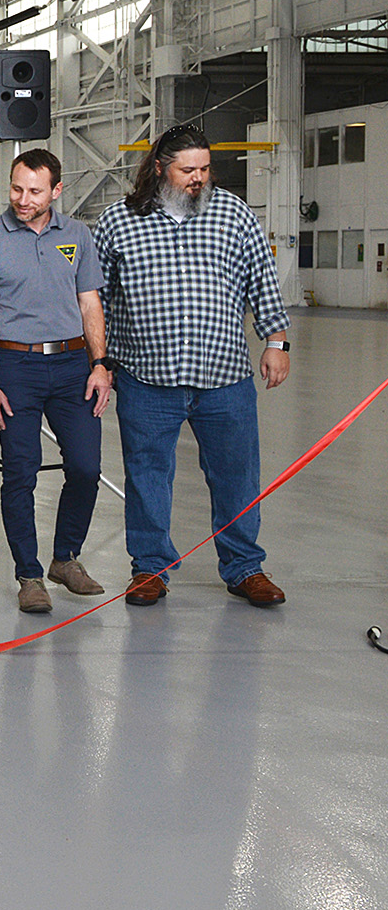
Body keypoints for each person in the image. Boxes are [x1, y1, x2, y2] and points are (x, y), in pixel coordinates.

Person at [95, 123, 291, 608]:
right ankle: (150, 569)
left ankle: (245, 567)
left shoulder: (234, 214)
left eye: (204, 169)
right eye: (187, 170)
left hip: (224, 376)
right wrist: (99, 361)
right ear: (161, 168)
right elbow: (92, 298)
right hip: (146, 377)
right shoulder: (119, 221)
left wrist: (277, 341)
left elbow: (260, 279)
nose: (198, 178)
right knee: (146, 476)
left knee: (236, 475)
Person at [0, 148, 112, 614]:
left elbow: (90, 304)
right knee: (19, 474)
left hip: (72, 367)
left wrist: (101, 364)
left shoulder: (78, 236)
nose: (23, 199)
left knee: (86, 468)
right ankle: (29, 574)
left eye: (34, 191)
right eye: (16, 188)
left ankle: (65, 559)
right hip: (15, 369)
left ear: (56, 191)